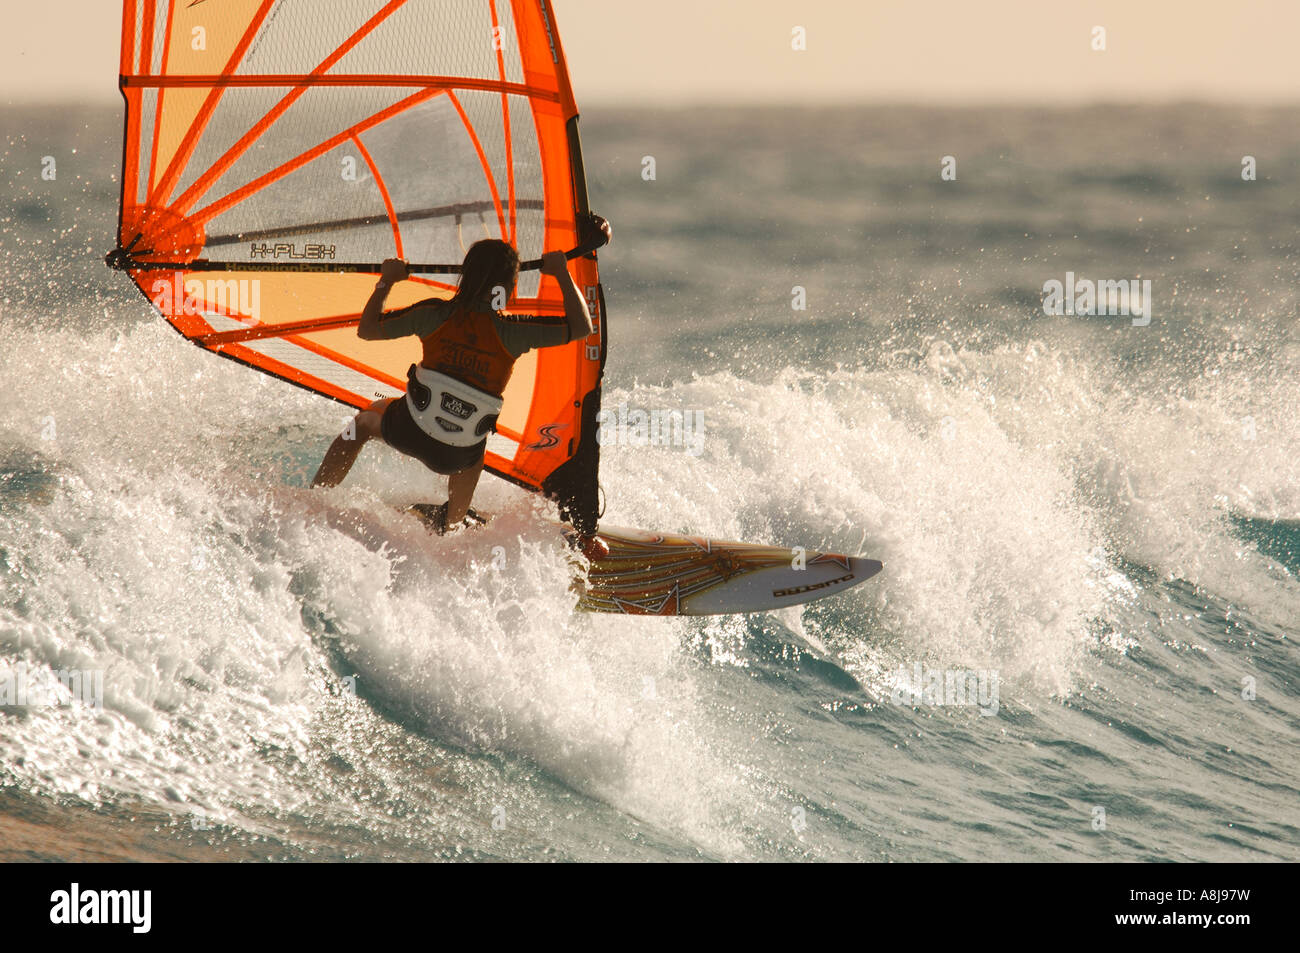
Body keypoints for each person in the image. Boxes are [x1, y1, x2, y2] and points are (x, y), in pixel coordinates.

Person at [311, 220, 606, 533]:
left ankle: (316, 498)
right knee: (475, 448)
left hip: (407, 429)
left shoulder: (433, 315)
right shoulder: (513, 332)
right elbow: (582, 326)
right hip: (457, 457)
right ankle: (451, 523)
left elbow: (367, 329)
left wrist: (387, 281)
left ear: (464, 278)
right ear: (507, 288)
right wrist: (561, 272)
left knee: (362, 424)